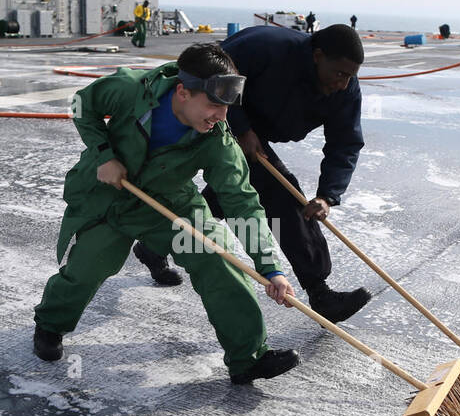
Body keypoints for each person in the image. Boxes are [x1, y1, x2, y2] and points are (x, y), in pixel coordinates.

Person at [33, 43, 300, 385]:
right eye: (213, 105)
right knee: (87, 268)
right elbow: (82, 104)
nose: (221, 116)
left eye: (227, 108)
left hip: (170, 201)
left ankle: (248, 357)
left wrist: (270, 268)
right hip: (110, 194)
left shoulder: (217, 141)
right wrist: (103, 154)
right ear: (182, 92)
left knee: (217, 258)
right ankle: (50, 325)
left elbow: (242, 203)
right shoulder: (130, 90)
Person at [136, 23, 371, 323]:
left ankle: (154, 245)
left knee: (225, 197)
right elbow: (216, 76)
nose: (344, 83)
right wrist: (241, 127)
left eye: (351, 76)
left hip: (256, 133)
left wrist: (328, 195)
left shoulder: (346, 88)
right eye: (339, 73)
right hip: (211, 116)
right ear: (318, 55)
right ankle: (319, 292)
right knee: (282, 191)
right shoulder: (266, 45)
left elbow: (345, 141)